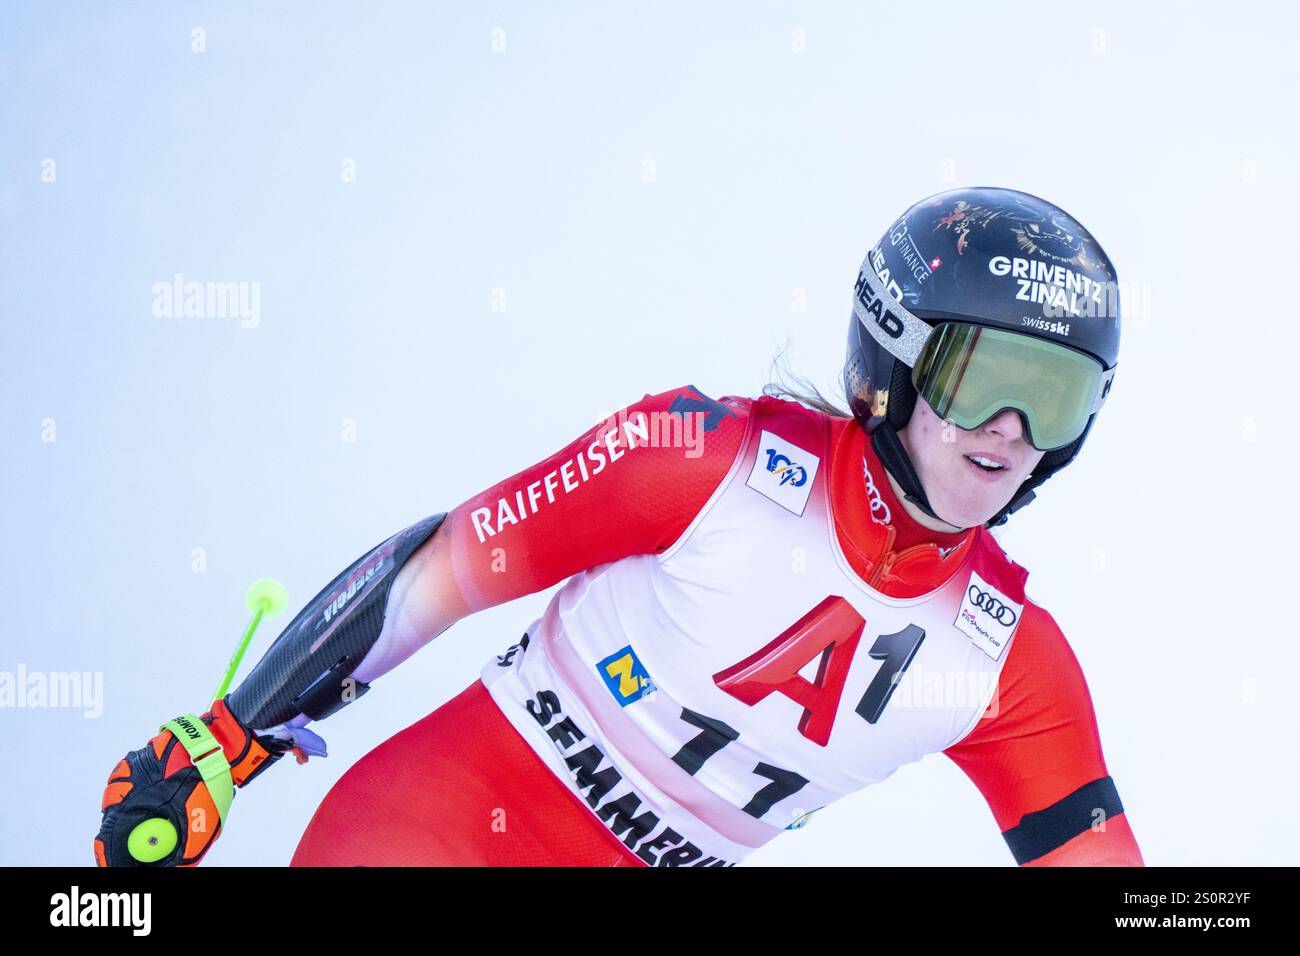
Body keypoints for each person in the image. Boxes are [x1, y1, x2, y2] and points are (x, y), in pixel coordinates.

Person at [95, 186, 1143, 867]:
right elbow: (437, 571)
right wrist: (233, 740)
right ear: (894, 358)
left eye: (1052, 396)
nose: (1010, 432)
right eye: (983, 382)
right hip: (429, 835)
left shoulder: (1009, 660)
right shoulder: (698, 461)